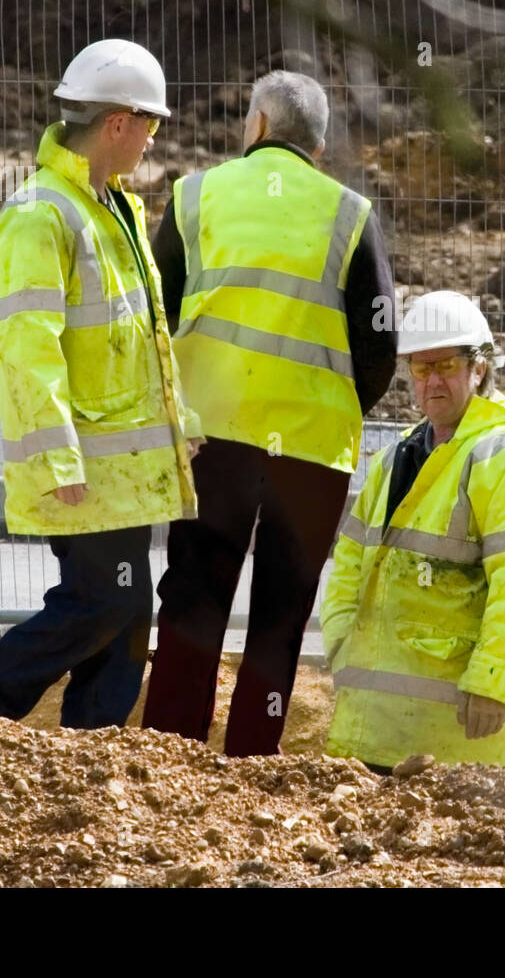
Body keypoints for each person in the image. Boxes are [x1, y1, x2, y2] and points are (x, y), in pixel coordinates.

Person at [0, 38, 202, 728]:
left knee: (126, 616)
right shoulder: (43, 213)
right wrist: (58, 453)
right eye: (150, 123)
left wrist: (184, 424)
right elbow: (28, 351)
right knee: (103, 602)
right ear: (118, 122)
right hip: (85, 460)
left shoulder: (111, 208)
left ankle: (94, 746)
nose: (153, 138)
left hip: (121, 466)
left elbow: (139, 339)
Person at [141, 70, 397, 754]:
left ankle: (169, 754)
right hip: (311, 450)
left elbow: (154, 319)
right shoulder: (352, 214)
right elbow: (380, 345)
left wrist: (176, 409)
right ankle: (254, 760)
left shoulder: (195, 195)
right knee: (281, 617)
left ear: (255, 125)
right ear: (318, 144)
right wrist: (334, 403)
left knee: (193, 598)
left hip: (211, 437)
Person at [320, 291, 505, 774]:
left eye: (446, 366)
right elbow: (351, 558)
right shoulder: (397, 458)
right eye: (420, 369)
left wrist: (494, 679)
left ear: (479, 368)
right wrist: (340, 642)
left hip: (467, 752)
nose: (432, 381)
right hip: (372, 736)